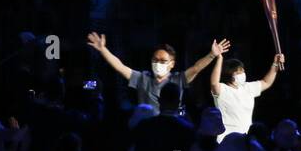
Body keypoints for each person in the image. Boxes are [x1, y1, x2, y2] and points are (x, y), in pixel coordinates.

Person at [86, 33, 228, 111]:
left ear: (172, 64)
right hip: (147, 130)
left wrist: (212, 54)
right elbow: (119, 66)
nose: (158, 63)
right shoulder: (142, 79)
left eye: (162, 61)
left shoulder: (178, 79)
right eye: (155, 60)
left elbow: (197, 67)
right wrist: (103, 50)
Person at [209, 53, 284, 138]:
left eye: (243, 70)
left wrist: (275, 64)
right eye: (240, 70)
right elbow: (214, 83)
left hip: (246, 138)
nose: (243, 73)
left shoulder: (247, 87)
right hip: (227, 139)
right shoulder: (223, 89)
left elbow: (266, 82)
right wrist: (219, 58)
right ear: (231, 73)